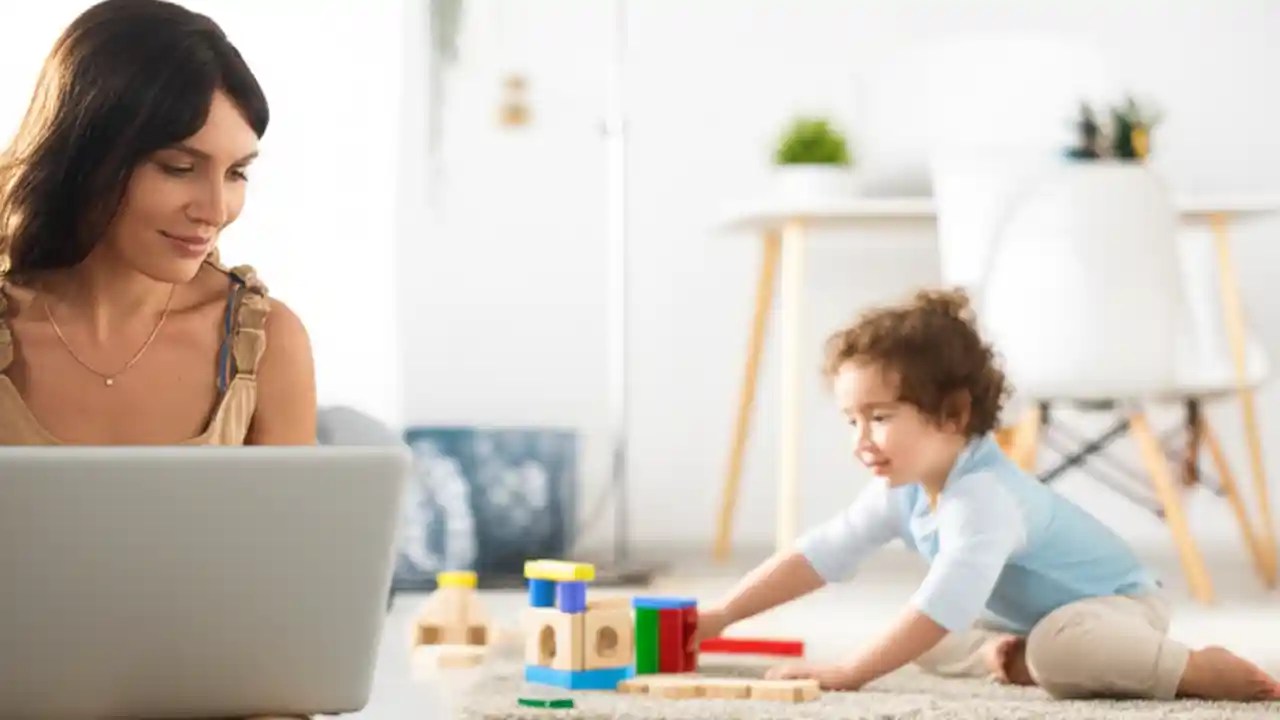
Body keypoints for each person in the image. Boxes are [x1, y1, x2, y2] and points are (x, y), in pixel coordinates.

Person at [691, 288, 1280, 702]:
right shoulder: (900, 490)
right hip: (1034, 619)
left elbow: (943, 600)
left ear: (952, 415)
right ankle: (1009, 657)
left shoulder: (985, 498)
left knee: (1048, 649)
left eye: (878, 417)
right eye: (851, 421)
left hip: (1120, 609)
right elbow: (817, 554)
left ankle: (1194, 669)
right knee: (923, 642)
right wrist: (722, 615)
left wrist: (849, 672)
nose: (861, 440)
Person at [0, 0, 315, 446]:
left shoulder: (269, 345)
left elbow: (301, 517)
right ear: (86, 158)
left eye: (235, 173)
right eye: (178, 168)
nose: (215, 210)